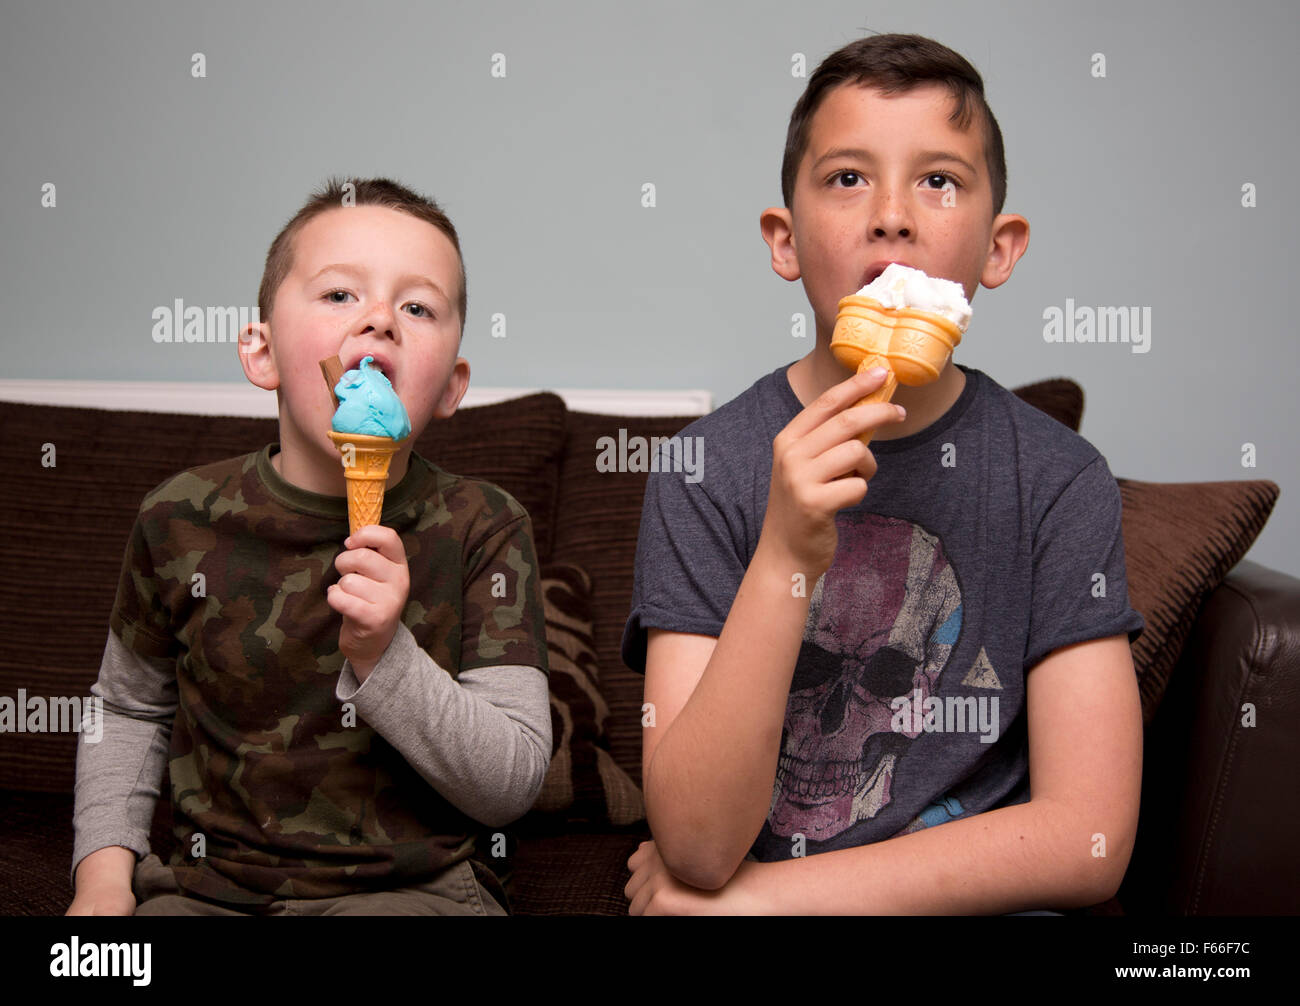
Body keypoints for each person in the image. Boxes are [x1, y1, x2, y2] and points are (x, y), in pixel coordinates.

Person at [622, 34, 1145, 914]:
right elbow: (699, 843)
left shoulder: (1059, 481)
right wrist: (786, 548)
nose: (893, 215)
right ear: (784, 243)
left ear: (999, 250)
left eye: (938, 179)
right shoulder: (702, 473)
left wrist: (755, 906)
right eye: (848, 178)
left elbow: (1088, 836)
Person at [67, 177, 551, 916]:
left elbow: (512, 781)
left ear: (451, 388)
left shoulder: (483, 526)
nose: (381, 320)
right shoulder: (178, 518)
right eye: (339, 296)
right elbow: (129, 711)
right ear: (261, 353)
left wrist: (387, 656)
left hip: (411, 891)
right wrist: (102, 881)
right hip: (208, 890)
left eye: (417, 307)